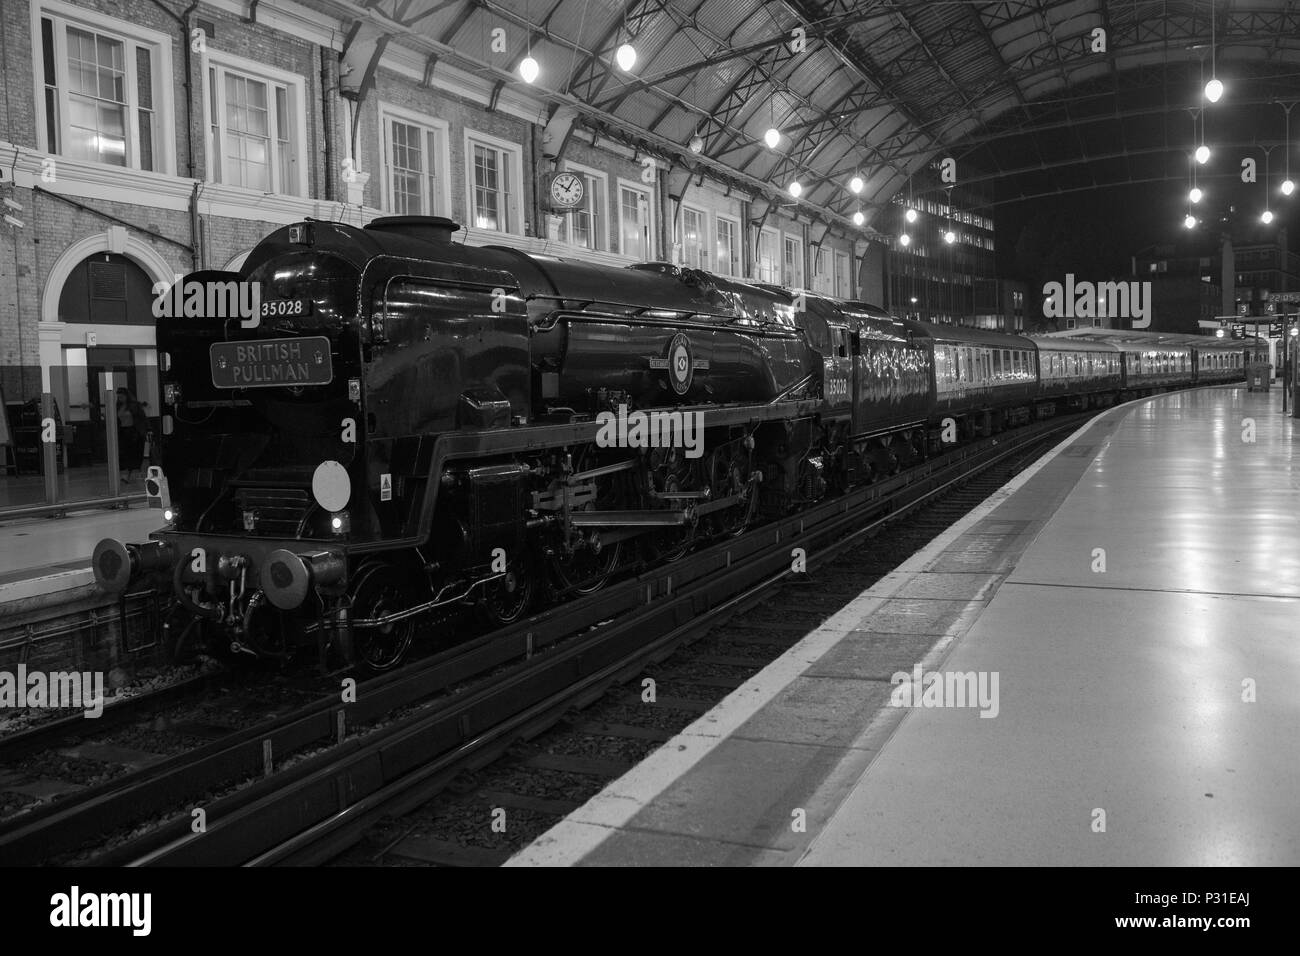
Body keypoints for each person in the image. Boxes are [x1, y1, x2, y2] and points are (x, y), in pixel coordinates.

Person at [115, 387, 147, 483]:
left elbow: (142, 418)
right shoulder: (118, 406)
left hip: (133, 431)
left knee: (133, 453)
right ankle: (128, 473)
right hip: (123, 431)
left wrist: (146, 430)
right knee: (125, 453)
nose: (120, 399)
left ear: (126, 396)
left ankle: (129, 474)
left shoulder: (134, 405)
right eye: (119, 397)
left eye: (122, 397)